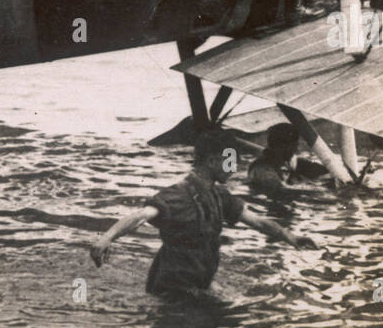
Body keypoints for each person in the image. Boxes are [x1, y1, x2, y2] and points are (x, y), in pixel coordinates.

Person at [89, 130, 317, 295]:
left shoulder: (220, 195)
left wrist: (290, 237)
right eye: (230, 160)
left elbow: (257, 222)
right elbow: (140, 216)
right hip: (172, 286)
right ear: (211, 161)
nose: (235, 167)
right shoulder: (178, 194)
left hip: (200, 281)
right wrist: (106, 238)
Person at [247, 123, 319, 199]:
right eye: (294, 146)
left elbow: (316, 169)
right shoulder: (263, 171)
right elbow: (283, 190)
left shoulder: (284, 160)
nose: (296, 150)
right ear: (281, 146)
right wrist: (317, 191)